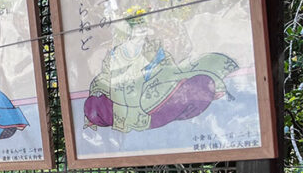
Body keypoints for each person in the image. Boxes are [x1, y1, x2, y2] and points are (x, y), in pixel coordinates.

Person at [83, 15, 236, 133]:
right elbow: (107, 81)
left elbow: (169, 69)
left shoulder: (152, 48)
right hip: (140, 105)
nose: (141, 36)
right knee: (200, 84)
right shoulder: (115, 56)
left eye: (143, 31)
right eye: (136, 32)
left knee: (200, 80)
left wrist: (158, 64)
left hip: (156, 92)